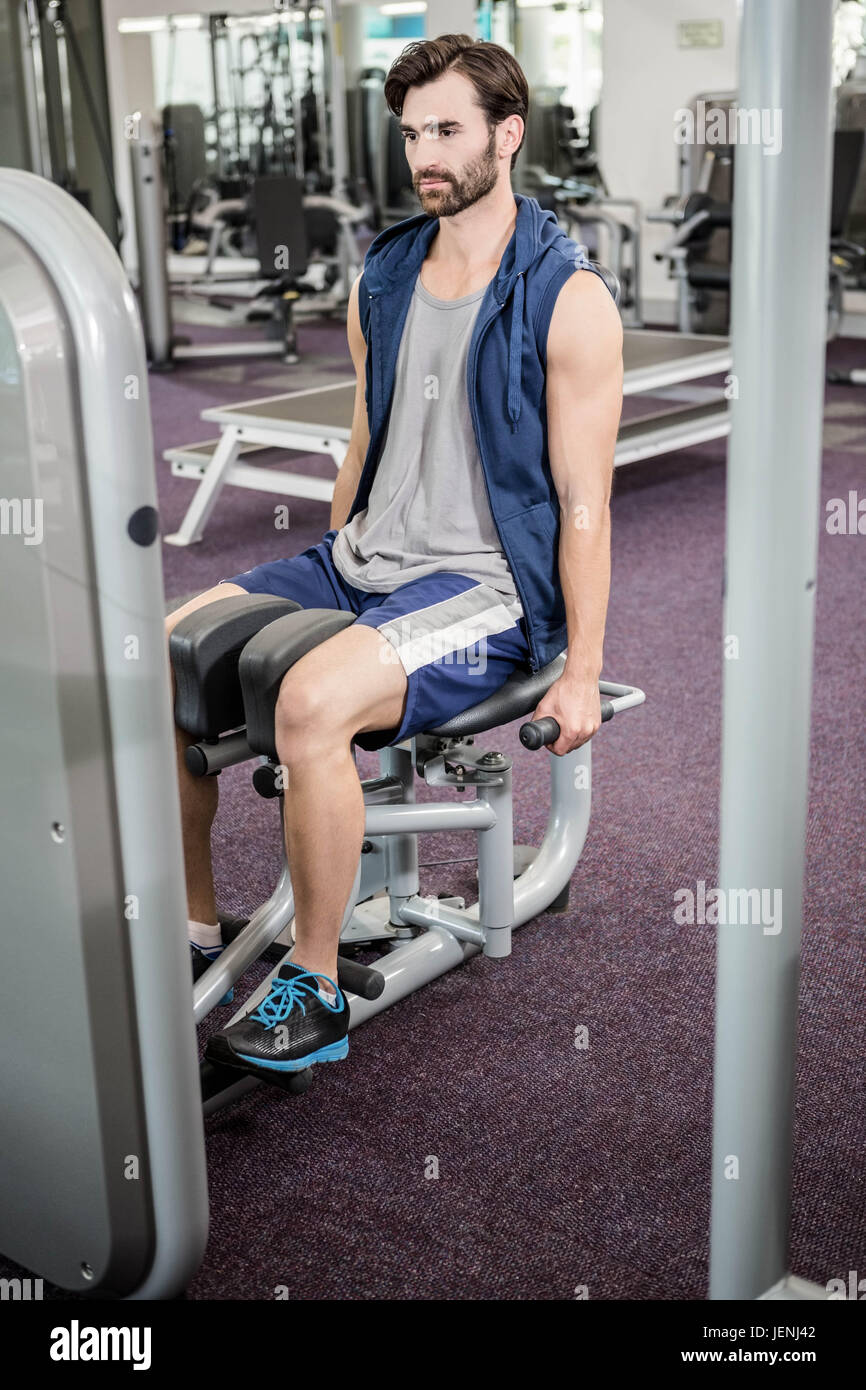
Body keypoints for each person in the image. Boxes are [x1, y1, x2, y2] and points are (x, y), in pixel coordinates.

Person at [166, 33, 623, 1080]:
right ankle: (190, 925)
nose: (424, 152)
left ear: (506, 135)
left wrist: (583, 668)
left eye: (447, 129)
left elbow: (583, 501)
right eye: (412, 131)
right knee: (160, 653)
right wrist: (332, 563)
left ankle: (314, 982)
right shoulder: (385, 268)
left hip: (482, 584)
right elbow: (366, 437)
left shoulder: (565, 296)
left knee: (312, 706)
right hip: (364, 556)